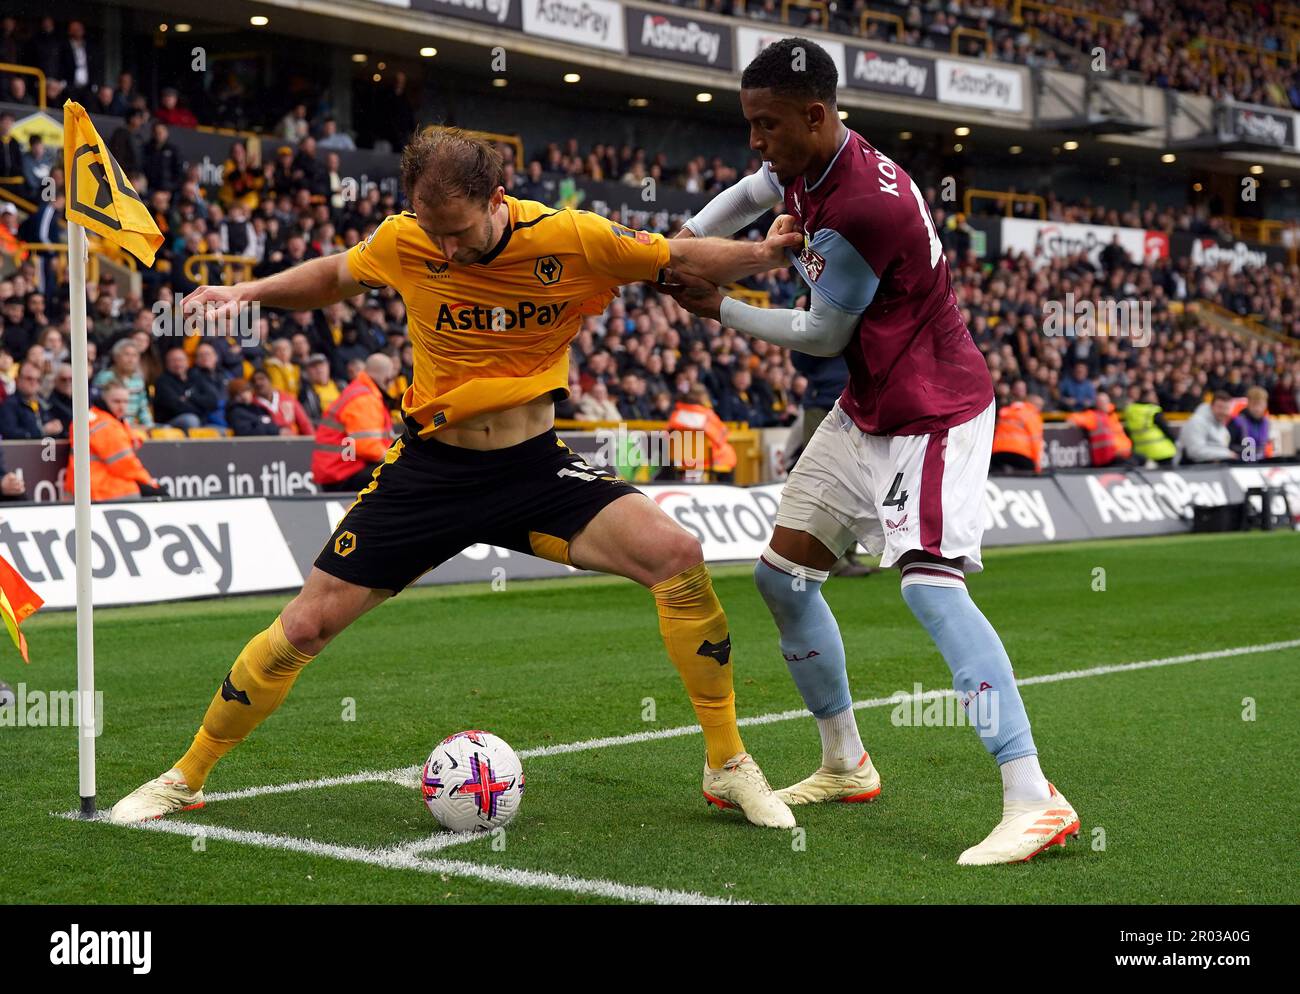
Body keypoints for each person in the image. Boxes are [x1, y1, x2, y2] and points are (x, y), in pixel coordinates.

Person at [110, 126, 804, 829]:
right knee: (306, 623)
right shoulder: (405, 238)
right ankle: (185, 776)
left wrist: (766, 254)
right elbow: (337, 275)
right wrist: (249, 291)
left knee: (677, 556)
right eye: (430, 230)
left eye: (457, 231)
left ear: (498, 198)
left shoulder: (573, 238)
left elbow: (679, 255)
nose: (442, 248)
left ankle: (727, 764)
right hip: (430, 471)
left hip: (534, 468)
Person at [662, 38, 1077, 865]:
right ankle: (846, 762)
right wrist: (676, 245)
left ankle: (1034, 795)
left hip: (934, 410)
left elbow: (818, 333)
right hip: (871, 404)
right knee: (781, 578)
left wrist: (718, 307)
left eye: (766, 124)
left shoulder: (864, 205)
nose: (756, 140)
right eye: (749, 122)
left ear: (815, 115)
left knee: (930, 588)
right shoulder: (804, 162)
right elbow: (747, 193)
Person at [64, 382, 165, 501]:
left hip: (84, 486)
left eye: (125, 401)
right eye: (116, 401)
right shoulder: (105, 424)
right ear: (104, 399)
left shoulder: (98, 417)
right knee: (141, 493)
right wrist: (152, 484)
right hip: (99, 488)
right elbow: (125, 465)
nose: (122, 406)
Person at [310, 353, 395, 491]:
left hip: (340, 470)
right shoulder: (364, 399)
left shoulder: (360, 392)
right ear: (385, 378)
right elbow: (367, 447)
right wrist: (398, 459)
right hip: (342, 474)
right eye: (391, 379)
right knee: (398, 475)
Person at [665, 384, 737, 483]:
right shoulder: (707, 415)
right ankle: (727, 486)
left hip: (681, 461)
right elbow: (721, 437)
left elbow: (666, 436)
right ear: (702, 397)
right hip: (705, 461)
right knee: (728, 452)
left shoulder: (676, 414)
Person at [153, 345, 221, 431]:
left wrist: (190, 397)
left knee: (221, 431)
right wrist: (201, 409)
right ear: (167, 363)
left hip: (201, 420)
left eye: (181, 360)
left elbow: (212, 401)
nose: (178, 364)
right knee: (191, 420)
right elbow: (176, 407)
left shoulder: (196, 377)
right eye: (173, 361)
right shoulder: (162, 381)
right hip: (170, 423)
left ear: (187, 362)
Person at [1068, 391, 1133, 468]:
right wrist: (1072, 421)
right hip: (1109, 458)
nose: (1105, 404)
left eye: (1106, 401)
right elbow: (1075, 418)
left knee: (1141, 460)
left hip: (1125, 454)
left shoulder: (1113, 415)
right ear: (1097, 404)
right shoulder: (1094, 416)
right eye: (1102, 402)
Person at [0, 360, 62, 440]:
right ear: (17, 380)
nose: (34, 383)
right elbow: (9, 433)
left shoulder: (44, 403)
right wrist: (41, 431)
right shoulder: (9, 404)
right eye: (29, 379)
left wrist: (56, 428)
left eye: (38, 379)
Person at [990, 392, 1045, 473]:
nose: (1041, 409)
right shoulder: (1032, 415)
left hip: (998, 452)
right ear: (1031, 402)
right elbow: (1036, 441)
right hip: (1021, 454)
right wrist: (1037, 465)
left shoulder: (1007, 412)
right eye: (1039, 405)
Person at [1121, 388, 1177, 467]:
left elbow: (1127, 431)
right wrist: (1176, 441)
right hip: (1161, 451)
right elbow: (1166, 429)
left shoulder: (1129, 410)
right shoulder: (1152, 410)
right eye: (1153, 396)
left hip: (1140, 452)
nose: (1156, 398)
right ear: (1146, 397)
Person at [1179, 391, 1237, 464]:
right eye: (1220, 407)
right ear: (1211, 406)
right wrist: (1227, 454)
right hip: (1188, 469)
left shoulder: (1223, 428)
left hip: (1214, 469)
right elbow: (1195, 452)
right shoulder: (1197, 422)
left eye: (1226, 408)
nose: (1223, 412)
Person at [1229, 386, 1271, 462]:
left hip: (1262, 463)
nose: (1257, 408)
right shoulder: (1237, 422)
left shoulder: (1266, 423)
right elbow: (1229, 446)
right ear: (1248, 404)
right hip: (1242, 463)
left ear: (1265, 405)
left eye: (1260, 404)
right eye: (1254, 404)